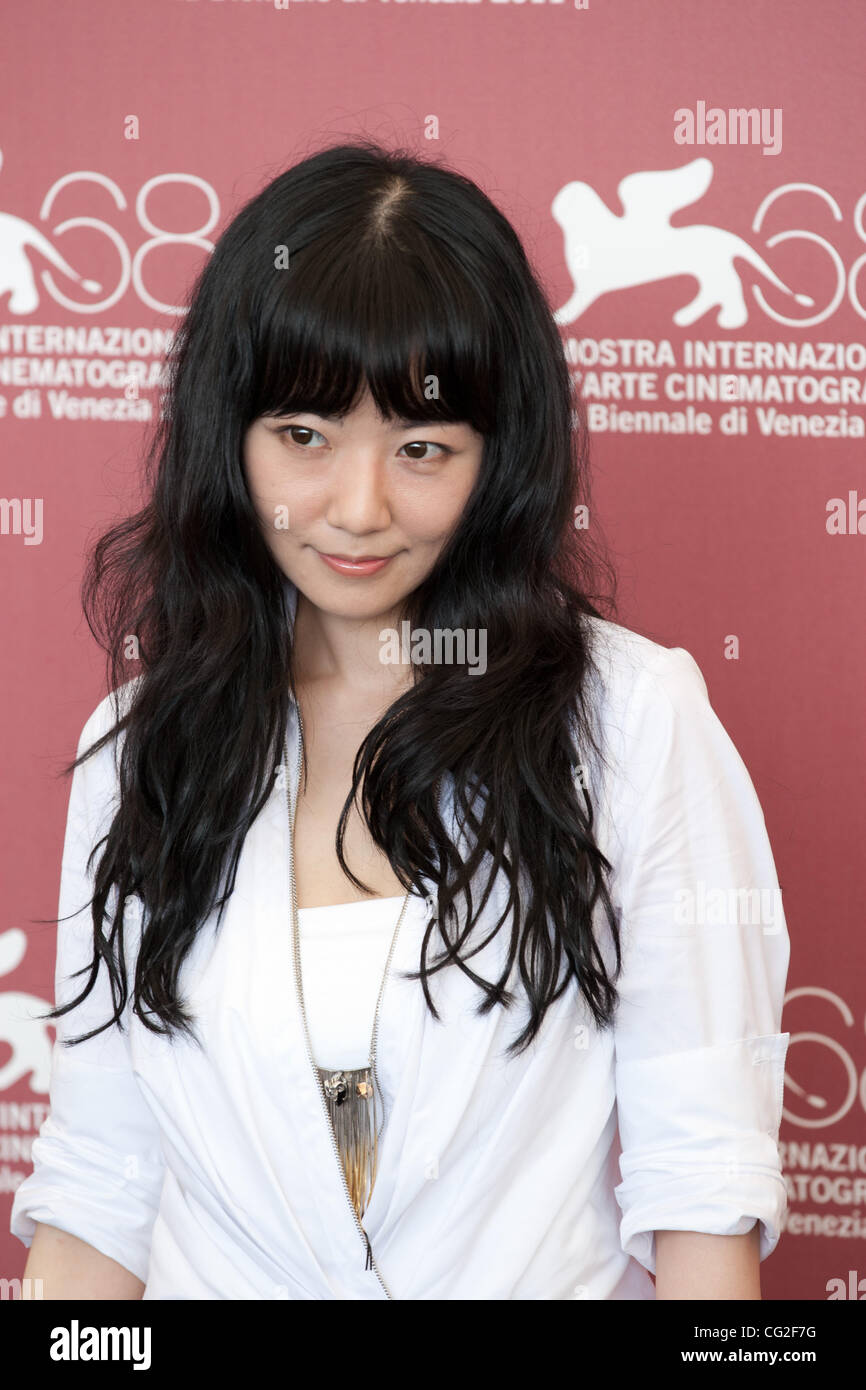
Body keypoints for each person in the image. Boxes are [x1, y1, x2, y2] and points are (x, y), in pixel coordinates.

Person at [10, 139, 790, 1300]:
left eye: (422, 448)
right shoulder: (137, 753)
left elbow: (701, 1185)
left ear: (501, 456)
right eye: (304, 437)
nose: (357, 508)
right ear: (229, 437)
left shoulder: (628, 720)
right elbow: (99, 1193)